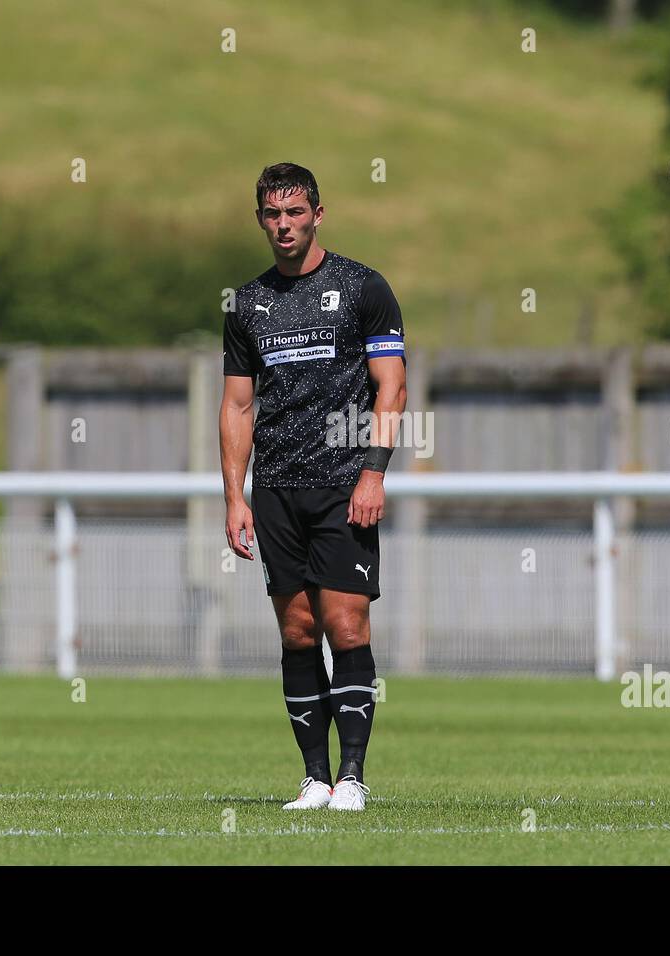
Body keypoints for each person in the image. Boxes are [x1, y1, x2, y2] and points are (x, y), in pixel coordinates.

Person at [219, 163, 407, 811]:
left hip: (343, 483)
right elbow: (238, 408)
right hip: (277, 487)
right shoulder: (246, 304)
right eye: (273, 214)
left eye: (295, 212)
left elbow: (392, 386)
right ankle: (314, 779)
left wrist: (374, 470)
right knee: (298, 631)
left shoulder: (363, 287)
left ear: (318, 214)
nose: (284, 224)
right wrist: (235, 496)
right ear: (260, 220)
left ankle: (353, 777)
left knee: (347, 625)